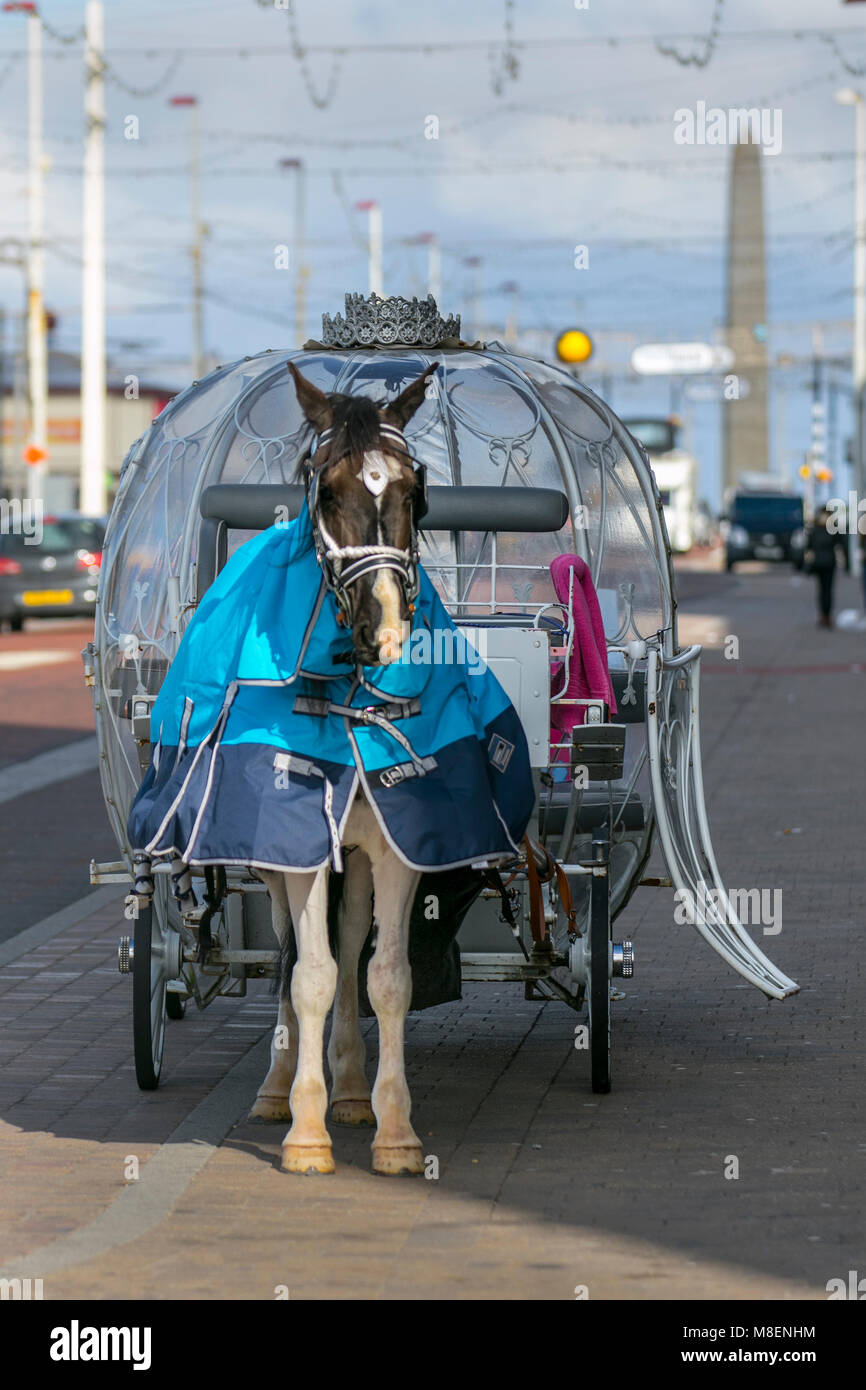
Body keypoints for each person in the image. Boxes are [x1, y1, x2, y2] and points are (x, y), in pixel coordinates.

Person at [804, 506, 849, 628]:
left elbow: (808, 548)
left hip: (825, 563)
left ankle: (825, 616)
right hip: (825, 563)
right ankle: (825, 616)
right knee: (825, 590)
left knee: (825, 590)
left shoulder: (818, 529)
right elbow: (843, 545)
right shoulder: (829, 529)